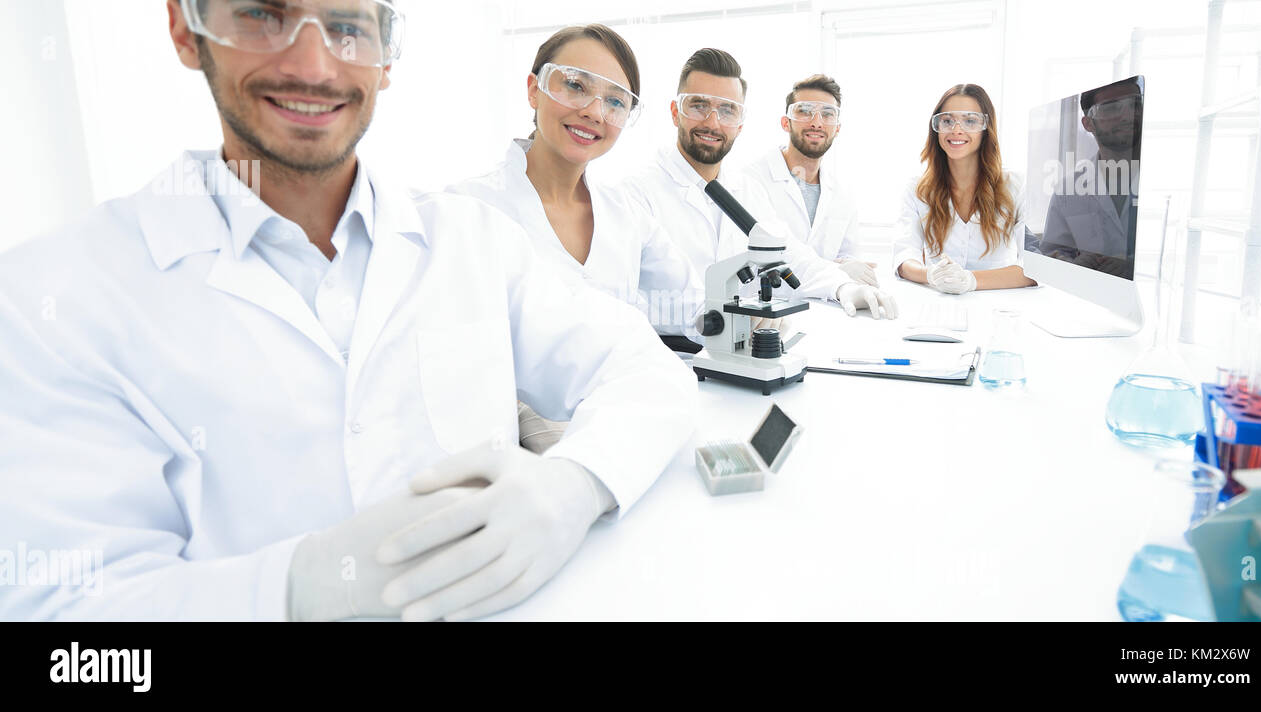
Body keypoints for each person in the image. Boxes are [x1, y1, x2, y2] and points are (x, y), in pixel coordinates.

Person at [0, 0, 698, 622]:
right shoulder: (53, 294)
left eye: (345, 25)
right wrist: (295, 591)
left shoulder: (468, 239)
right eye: (263, 14)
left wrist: (576, 485)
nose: (313, 64)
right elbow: (59, 613)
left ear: (386, 55)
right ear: (187, 28)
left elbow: (647, 370)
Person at [448, 24, 700, 338]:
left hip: (622, 385)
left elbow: (696, 307)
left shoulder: (628, 215)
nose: (595, 112)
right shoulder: (466, 208)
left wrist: (751, 322)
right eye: (575, 86)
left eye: (616, 102)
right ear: (533, 90)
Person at [622, 48, 897, 320]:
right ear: (674, 112)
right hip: (667, 354)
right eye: (699, 105)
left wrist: (843, 287)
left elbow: (793, 255)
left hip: (741, 349)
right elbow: (621, 299)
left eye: (728, 110)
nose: (713, 122)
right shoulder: (635, 193)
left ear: (740, 124)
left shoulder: (746, 190)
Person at [893, 83, 1036, 293]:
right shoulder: (918, 189)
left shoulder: (1017, 186)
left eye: (970, 121)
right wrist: (932, 275)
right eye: (948, 121)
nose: (957, 130)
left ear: (986, 129)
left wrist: (970, 280)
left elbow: (1035, 268)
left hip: (1000, 307)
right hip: (939, 304)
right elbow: (905, 258)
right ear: (937, 128)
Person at [743, 74, 876, 280]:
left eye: (827, 114)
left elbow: (848, 256)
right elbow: (765, 258)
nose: (817, 123)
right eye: (805, 111)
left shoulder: (842, 193)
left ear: (837, 128)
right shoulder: (752, 180)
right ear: (786, 123)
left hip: (830, 304)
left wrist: (848, 267)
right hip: (769, 306)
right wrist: (835, 270)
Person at [1034, 77, 1142, 279]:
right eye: (1111, 108)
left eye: (1134, 105)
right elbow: (1051, 253)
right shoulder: (1069, 188)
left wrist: (1133, 265)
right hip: (1090, 294)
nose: (1128, 116)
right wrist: (1075, 265)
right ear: (1088, 123)